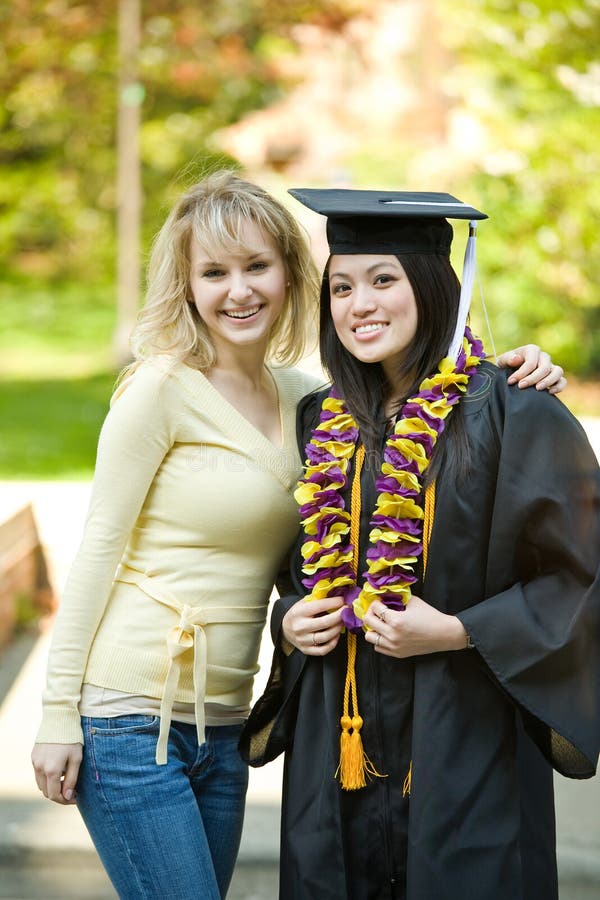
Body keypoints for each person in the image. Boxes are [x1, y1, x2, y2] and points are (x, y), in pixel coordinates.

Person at [31, 170, 564, 900]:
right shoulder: (173, 391)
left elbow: (305, 553)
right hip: (138, 716)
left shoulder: (314, 404)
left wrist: (519, 366)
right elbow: (100, 550)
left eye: (256, 266)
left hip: (236, 725)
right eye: (214, 272)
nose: (238, 290)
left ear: (287, 273)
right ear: (187, 285)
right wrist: (58, 715)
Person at [240, 189, 600, 900]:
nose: (359, 304)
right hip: (335, 741)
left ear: (430, 287)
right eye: (341, 286)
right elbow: (299, 565)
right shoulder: (321, 421)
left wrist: (460, 630)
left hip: (464, 735)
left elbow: (579, 576)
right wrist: (290, 619)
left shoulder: (515, 413)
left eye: (383, 280)